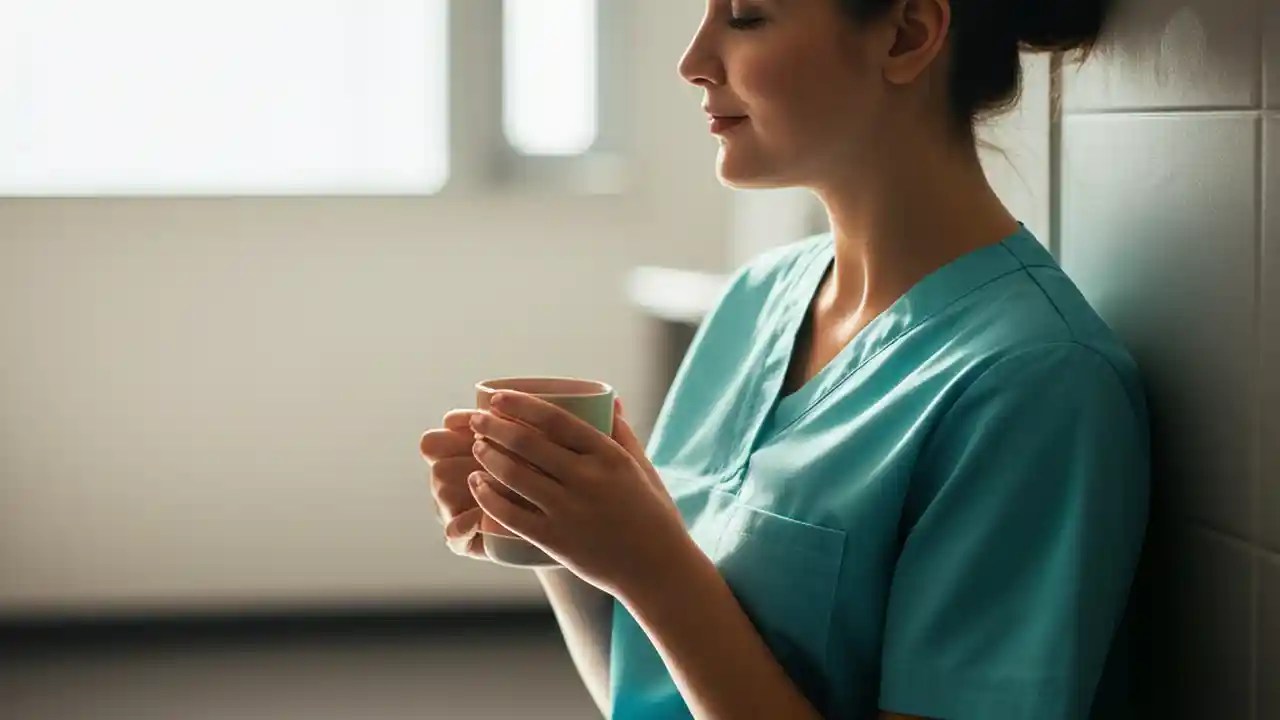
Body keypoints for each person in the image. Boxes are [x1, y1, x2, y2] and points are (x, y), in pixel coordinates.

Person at [419, 0, 1150, 717]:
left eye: (745, 17)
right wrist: (555, 529)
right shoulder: (756, 299)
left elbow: (666, 597)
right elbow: (652, 695)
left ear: (906, 34)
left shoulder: (1035, 384)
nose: (693, 63)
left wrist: (652, 565)